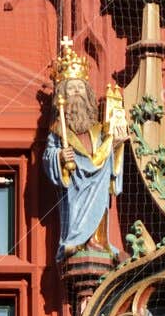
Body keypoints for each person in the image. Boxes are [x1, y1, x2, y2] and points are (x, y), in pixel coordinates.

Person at [43, 39, 126, 259]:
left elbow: (107, 156)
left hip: (98, 183)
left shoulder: (98, 130)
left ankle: (97, 240)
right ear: (63, 95)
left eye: (80, 88)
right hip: (74, 187)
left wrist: (116, 144)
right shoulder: (58, 131)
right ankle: (76, 241)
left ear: (87, 93)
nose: (77, 92)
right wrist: (60, 156)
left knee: (100, 205)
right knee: (74, 209)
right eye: (71, 89)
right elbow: (48, 156)